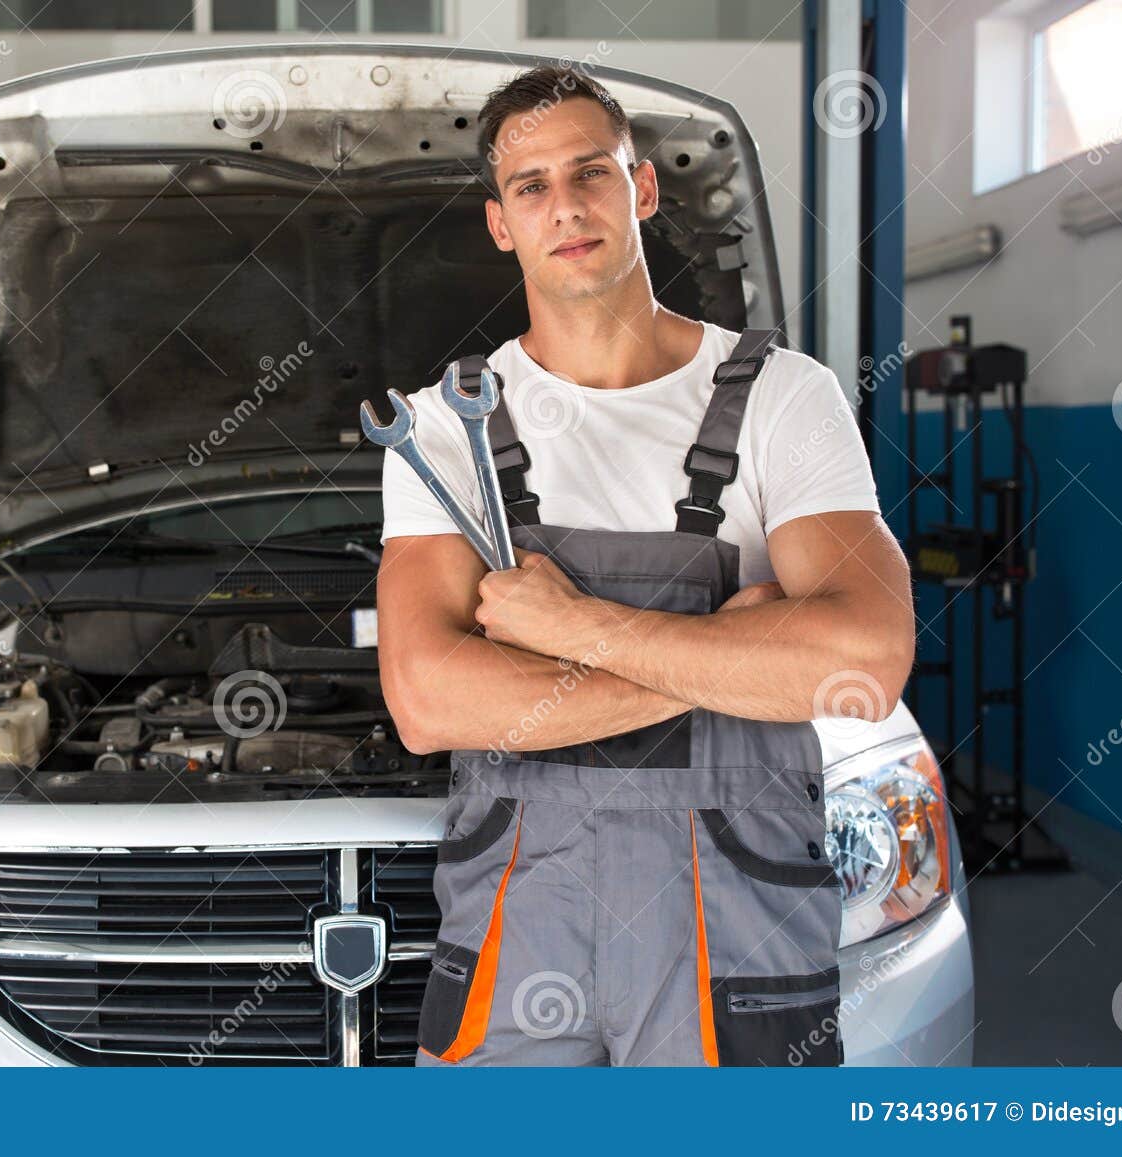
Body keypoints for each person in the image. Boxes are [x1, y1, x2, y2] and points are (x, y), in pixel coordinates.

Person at [375, 66, 914, 1066]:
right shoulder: (447, 425)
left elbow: (864, 661)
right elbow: (428, 699)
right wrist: (727, 661)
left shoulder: (783, 397)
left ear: (644, 187)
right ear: (501, 223)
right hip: (521, 920)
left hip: (735, 926)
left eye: (592, 172)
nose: (566, 205)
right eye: (531, 185)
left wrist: (574, 628)